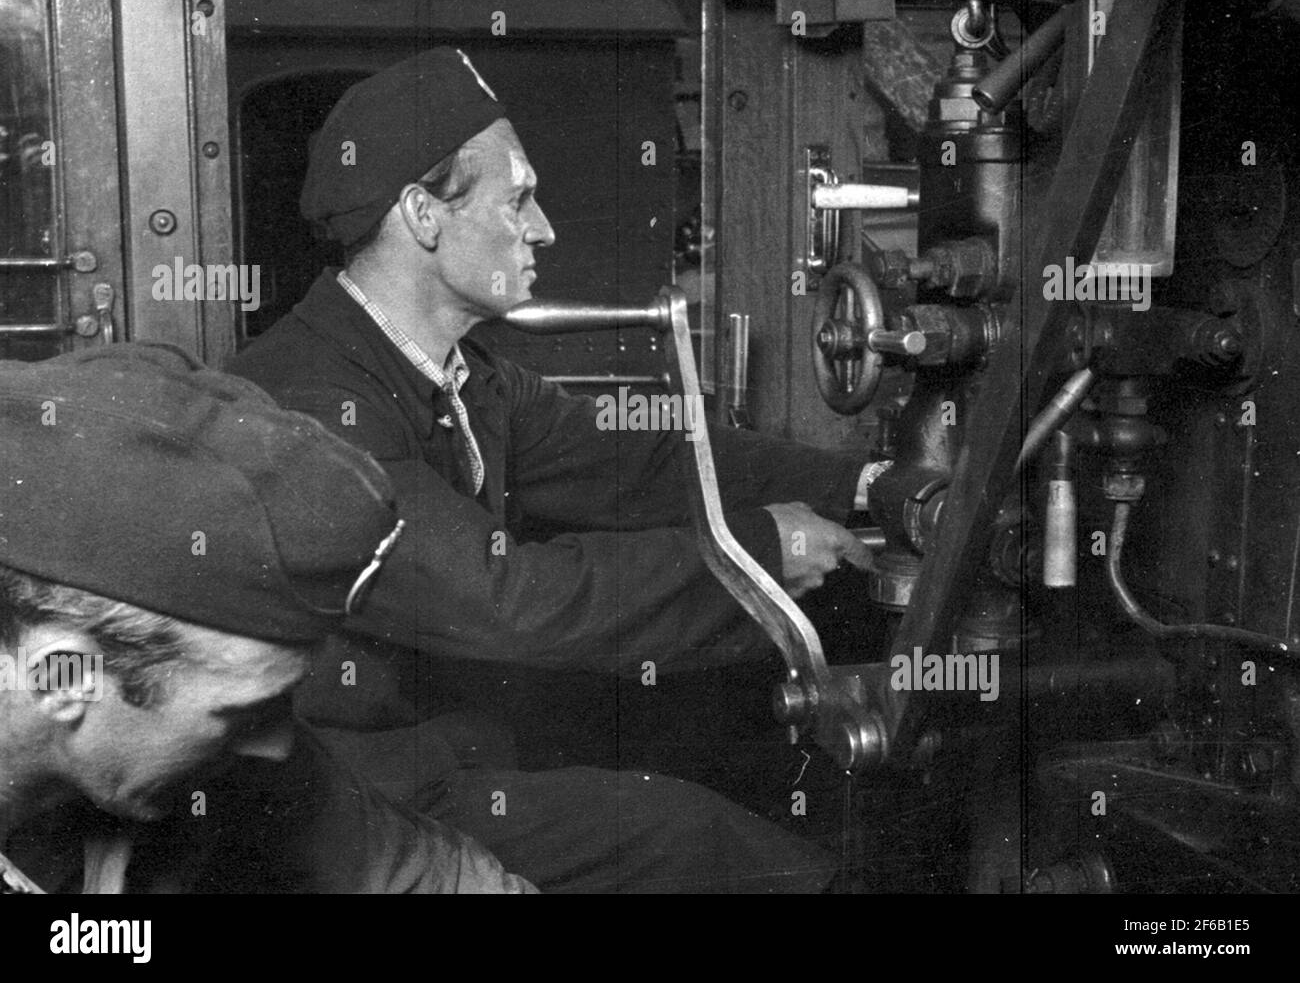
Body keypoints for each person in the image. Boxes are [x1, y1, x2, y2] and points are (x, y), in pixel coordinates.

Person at [227, 48, 886, 893]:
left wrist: (861, 484)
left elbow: (633, 461)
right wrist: (761, 550)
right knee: (709, 846)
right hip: (354, 797)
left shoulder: (463, 372)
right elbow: (511, 601)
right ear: (424, 216)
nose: (542, 229)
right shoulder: (314, 404)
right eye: (519, 199)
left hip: (440, 748)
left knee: (725, 742)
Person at [0, 343, 534, 893]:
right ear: (64, 677)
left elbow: (437, 878)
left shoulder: (236, 754)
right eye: (240, 714)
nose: (278, 747)